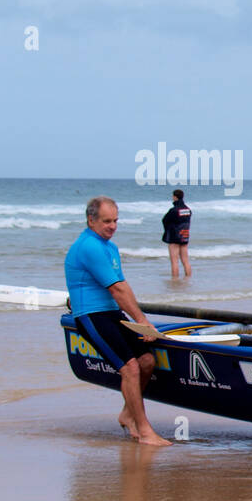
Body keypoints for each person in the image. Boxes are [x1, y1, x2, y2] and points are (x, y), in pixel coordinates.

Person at [65, 196, 172, 446]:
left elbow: (123, 285)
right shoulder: (89, 246)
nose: (112, 226)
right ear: (91, 220)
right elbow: (116, 289)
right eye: (106, 221)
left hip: (112, 314)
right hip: (90, 315)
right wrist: (142, 321)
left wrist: (140, 322)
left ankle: (127, 414)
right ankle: (145, 432)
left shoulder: (109, 247)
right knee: (130, 368)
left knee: (146, 361)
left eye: (115, 221)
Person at [161, 189, 192, 278]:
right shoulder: (188, 209)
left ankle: (175, 281)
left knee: (174, 262)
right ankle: (188, 279)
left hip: (174, 237)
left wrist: (167, 231)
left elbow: (164, 220)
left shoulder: (174, 210)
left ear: (175, 197)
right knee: (186, 261)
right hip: (185, 235)